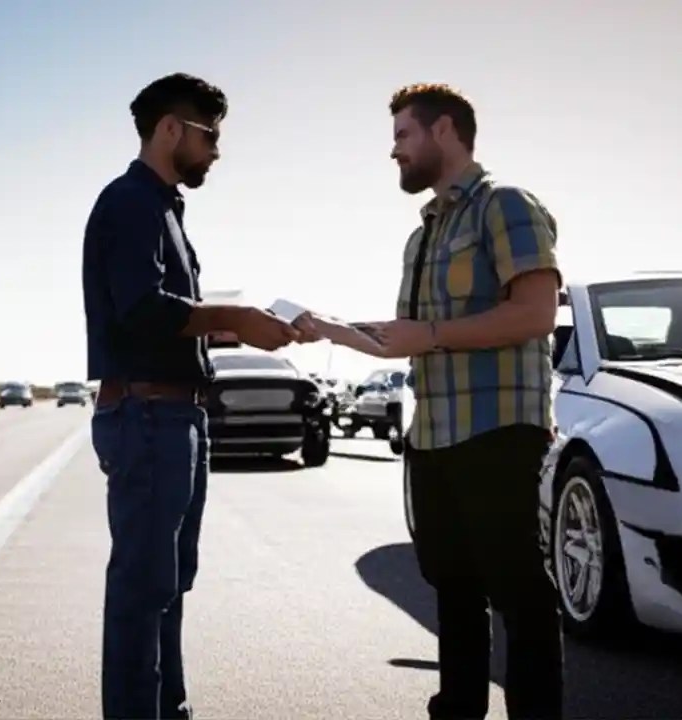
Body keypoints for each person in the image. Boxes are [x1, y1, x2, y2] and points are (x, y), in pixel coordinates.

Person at [300, 83, 564, 719]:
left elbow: (536, 313)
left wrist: (436, 335)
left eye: (401, 136)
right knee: (453, 588)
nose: (394, 151)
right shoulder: (422, 236)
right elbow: (405, 339)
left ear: (443, 131)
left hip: (499, 430)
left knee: (519, 593)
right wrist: (326, 328)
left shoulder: (505, 206)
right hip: (433, 437)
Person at [81, 72, 302, 720]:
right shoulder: (129, 202)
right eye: (211, 135)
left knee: (169, 586)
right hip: (147, 415)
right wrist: (234, 315)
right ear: (171, 129)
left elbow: (167, 315)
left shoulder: (165, 209)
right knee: (142, 590)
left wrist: (248, 328)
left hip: (176, 415)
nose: (217, 151)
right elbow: (142, 308)